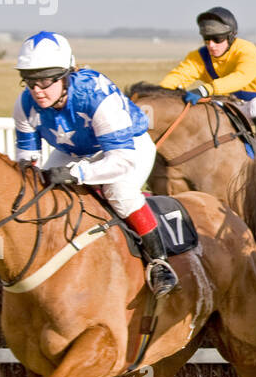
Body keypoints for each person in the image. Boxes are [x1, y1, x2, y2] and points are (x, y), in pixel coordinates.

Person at [12, 31, 179, 296]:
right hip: (74, 150)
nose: (37, 91)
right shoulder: (24, 105)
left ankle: (160, 263)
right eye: (30, 82)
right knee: (40, 190)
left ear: (65, 76)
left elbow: (120, 162)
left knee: (118, 192)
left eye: (45, 81)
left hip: (128, 147)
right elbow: (26, 162)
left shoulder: (95, 95)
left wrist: (77, 173)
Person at [159, 7, 256, 158]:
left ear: (230, 36)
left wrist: (205, 90)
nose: (211, 45)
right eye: (207, 39)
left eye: (217, 39)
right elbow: (179, 75)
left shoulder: (247, 51)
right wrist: (160, 95)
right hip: (232, 104)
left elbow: (240, 77)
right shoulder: (200, 56)